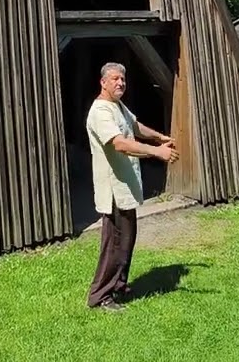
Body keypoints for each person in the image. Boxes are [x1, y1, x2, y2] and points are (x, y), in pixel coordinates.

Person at [84, 61, 178, 312]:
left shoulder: (118, 107)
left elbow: (135, 126)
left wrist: (160, 137)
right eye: (115, 79)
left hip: (125, 186)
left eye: (123, 79)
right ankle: (100, 296)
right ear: (103, 82)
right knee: (114, 243)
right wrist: (156, 152)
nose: (120, 83)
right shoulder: (101, 111)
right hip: (113, 189)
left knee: (126, 240)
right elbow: (120, 144)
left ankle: (118, 286)